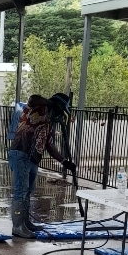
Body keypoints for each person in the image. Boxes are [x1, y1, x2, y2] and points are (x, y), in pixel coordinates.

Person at [7, 93, 76, 238]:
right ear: (56, 106)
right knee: (21, 191)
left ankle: (25, 223)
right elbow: (33, 97)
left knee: (27, 191)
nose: (59, 115)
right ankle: (17, 226)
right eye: (60, 110)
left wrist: (64, 161)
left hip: (32, 159)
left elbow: (49, 145)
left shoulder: (49, 123)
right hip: (21, 153)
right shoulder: (37, 107)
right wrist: (50, 104)